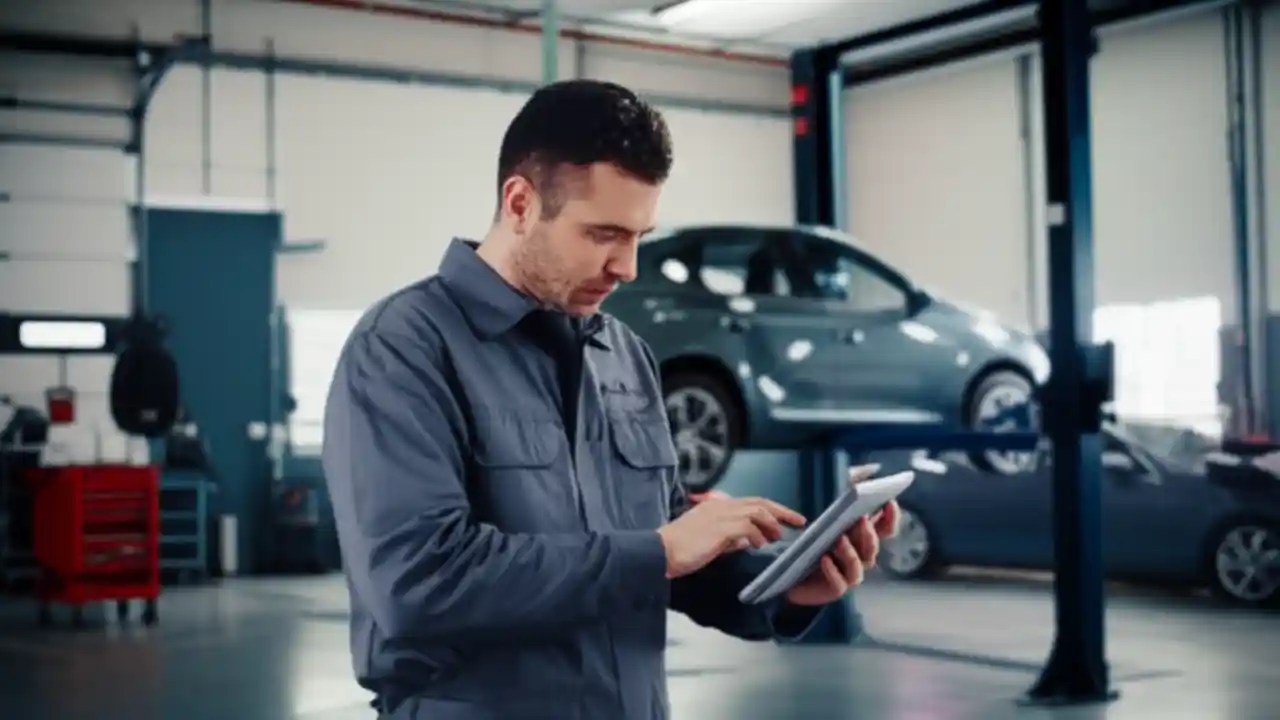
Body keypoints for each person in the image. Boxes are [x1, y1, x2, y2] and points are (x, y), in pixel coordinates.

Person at [321, 79, 900, 720]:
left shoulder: (623, 354)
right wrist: (661, 551)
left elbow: (666, 554)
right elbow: (416, 583)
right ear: (520, 203)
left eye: (639, 237)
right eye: (603, 234)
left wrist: (787, 586)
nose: (627, 267)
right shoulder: (404, 347)